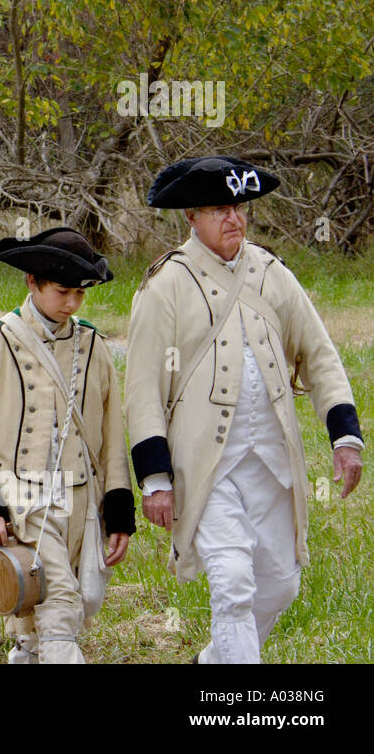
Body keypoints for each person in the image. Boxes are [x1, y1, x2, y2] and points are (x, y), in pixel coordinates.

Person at [126, 156, 363, 664]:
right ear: (190, 216)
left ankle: (211, 663)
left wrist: (344, 438)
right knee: (232, 584)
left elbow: (319, 356)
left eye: (238, 207)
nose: (233, 218)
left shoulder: (272, 273)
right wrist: (155, 479)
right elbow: (143, 386)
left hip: (273, 462)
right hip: (206, 467)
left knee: (279, 586)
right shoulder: (164, 285)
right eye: (218, 209)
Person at [0, 227, 134, 664]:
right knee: (61, 603)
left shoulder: (94, 347)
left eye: (79, 293)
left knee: (82, 597)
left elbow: (111, 437)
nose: (71, 303)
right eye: (62, 291)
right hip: (22, 497)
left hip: (81, 497)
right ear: (32, 282)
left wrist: (119, 510)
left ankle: (27, 654)